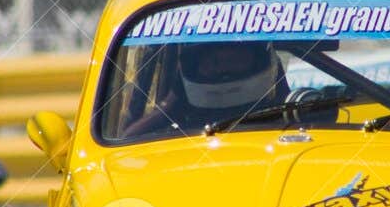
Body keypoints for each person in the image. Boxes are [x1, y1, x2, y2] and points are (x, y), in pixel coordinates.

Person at [122, 41, 286, 137]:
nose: (225, 69)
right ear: (193, 67)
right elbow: (126, 139)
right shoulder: (175, 124)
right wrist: (170, 106)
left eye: (234, 59)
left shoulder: (293, 119)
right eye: (215, 62)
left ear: (259, 61)